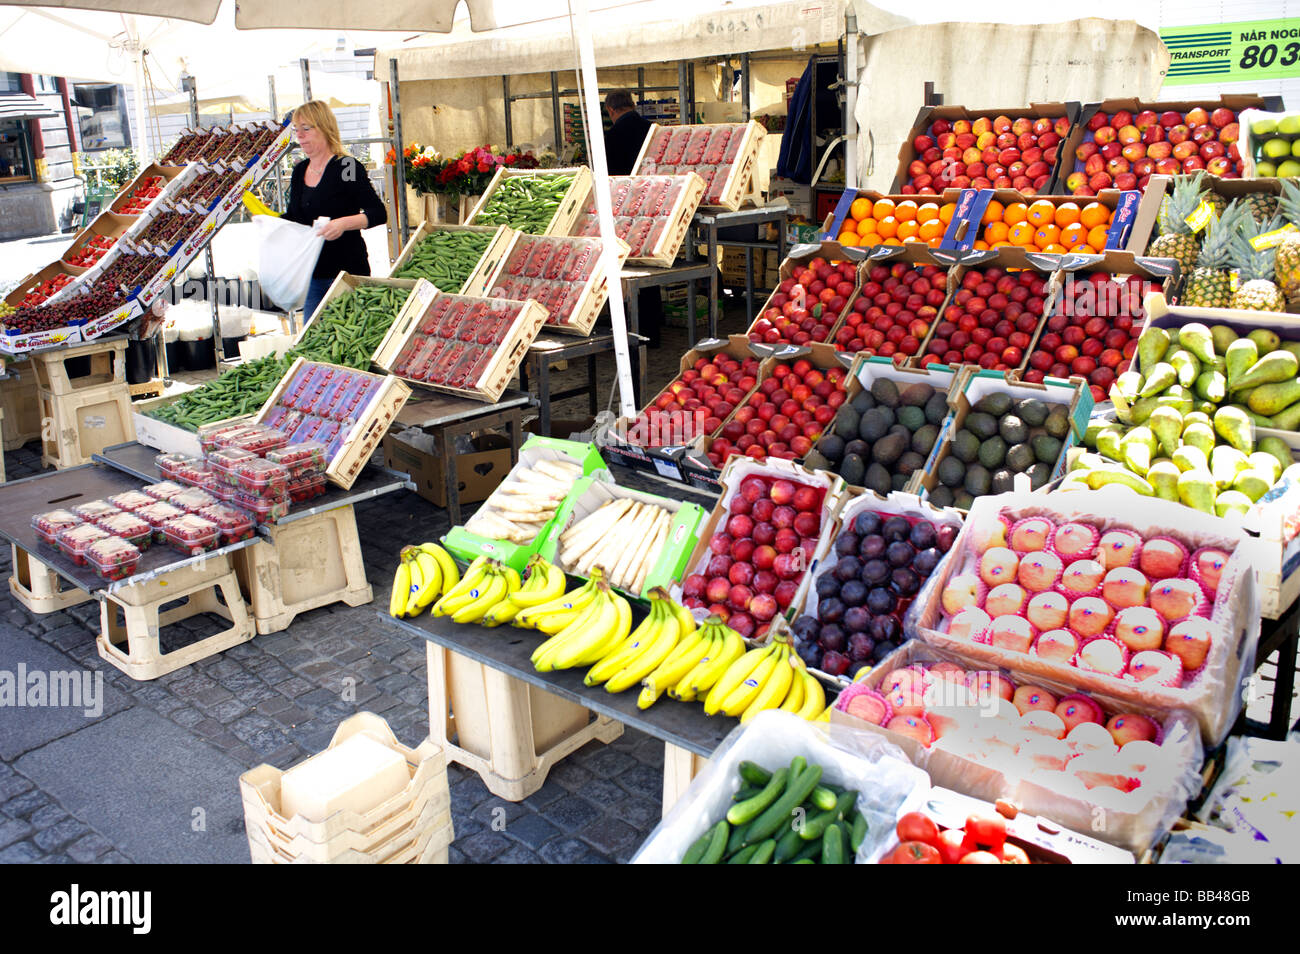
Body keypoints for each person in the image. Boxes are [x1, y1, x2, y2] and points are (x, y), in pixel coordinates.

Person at [281, 101, 388, 322]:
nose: (299, 136)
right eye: (296, 130)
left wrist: (342, 224)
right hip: (313, 274)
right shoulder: (300, 170)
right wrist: (271, 223)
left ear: (324, 128)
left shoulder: (346, 167)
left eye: (306, 128)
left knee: (349, 337)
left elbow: (377, 212)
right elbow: (295, 217)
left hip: (347, 273)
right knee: (313, 340)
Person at [603, 89, 663, 374]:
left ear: (610, 110)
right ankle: (654, 329)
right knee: (651, 265)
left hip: (625, 209)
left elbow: (606, 177)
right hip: (656, 206)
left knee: (628, 269)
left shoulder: (611, 137)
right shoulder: (652, 130)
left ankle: (634, 331)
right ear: (632, 104)